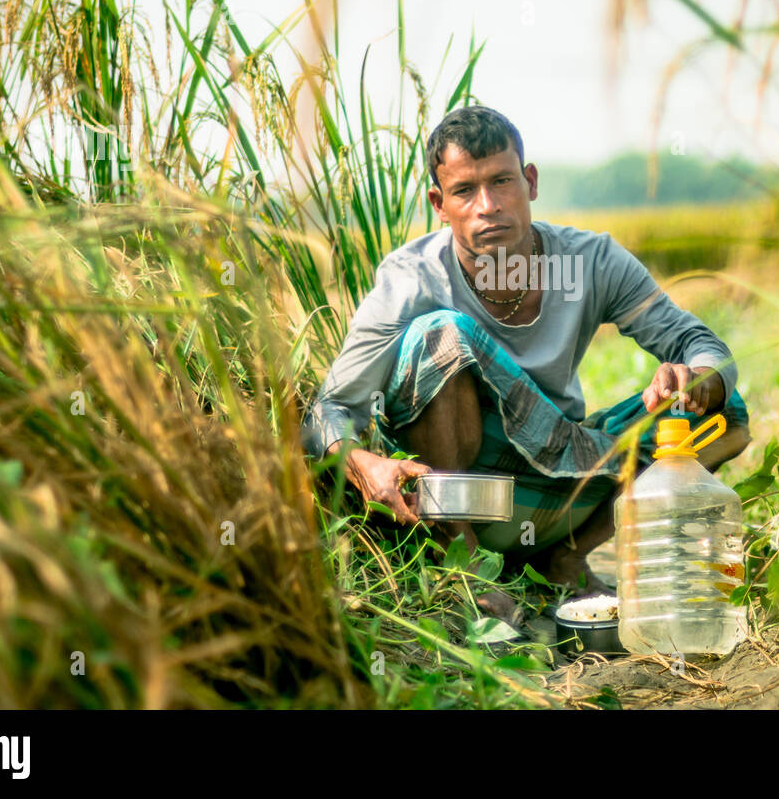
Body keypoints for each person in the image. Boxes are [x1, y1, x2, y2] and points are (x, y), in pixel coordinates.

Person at [302, 105, 750, 597]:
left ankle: (567, 557)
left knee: (722, 410)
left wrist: (694, 378)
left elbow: (699, 344)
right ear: (439, 202)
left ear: (530, 182)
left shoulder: (591, 261)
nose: (488, 205)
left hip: (563, 477)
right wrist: (367, 464)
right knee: (440, 333)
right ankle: (466, 571)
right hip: (454, 492)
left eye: (502, 182)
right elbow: (328, 408)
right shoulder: (411, 278)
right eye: (465, 191)